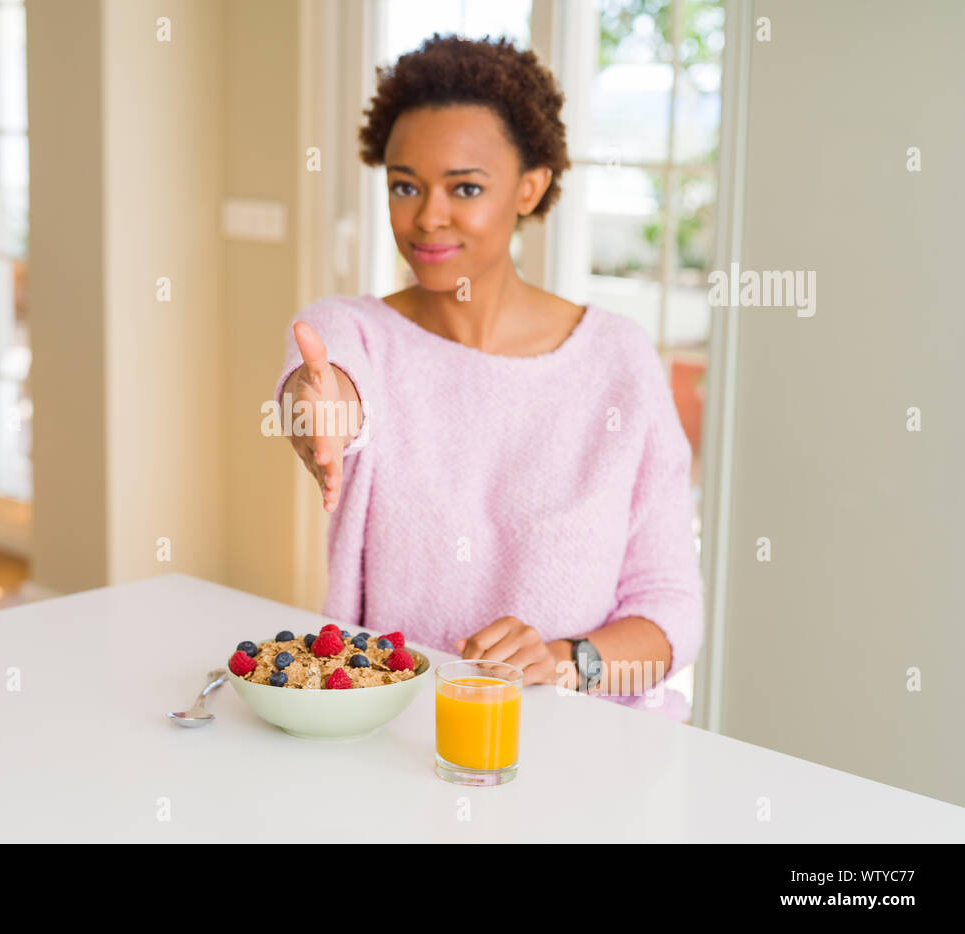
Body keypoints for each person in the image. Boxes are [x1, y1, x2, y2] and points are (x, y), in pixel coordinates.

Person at [274, 33, 703, 722]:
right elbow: (328, 387)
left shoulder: (619, 361)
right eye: (404, 186)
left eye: (464, 187)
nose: (426, 217)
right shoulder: (357, 333)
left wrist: (564, 661)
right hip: (405, 739)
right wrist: (319, 411)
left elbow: (671, 616)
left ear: (530, 188)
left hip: (589, 751)